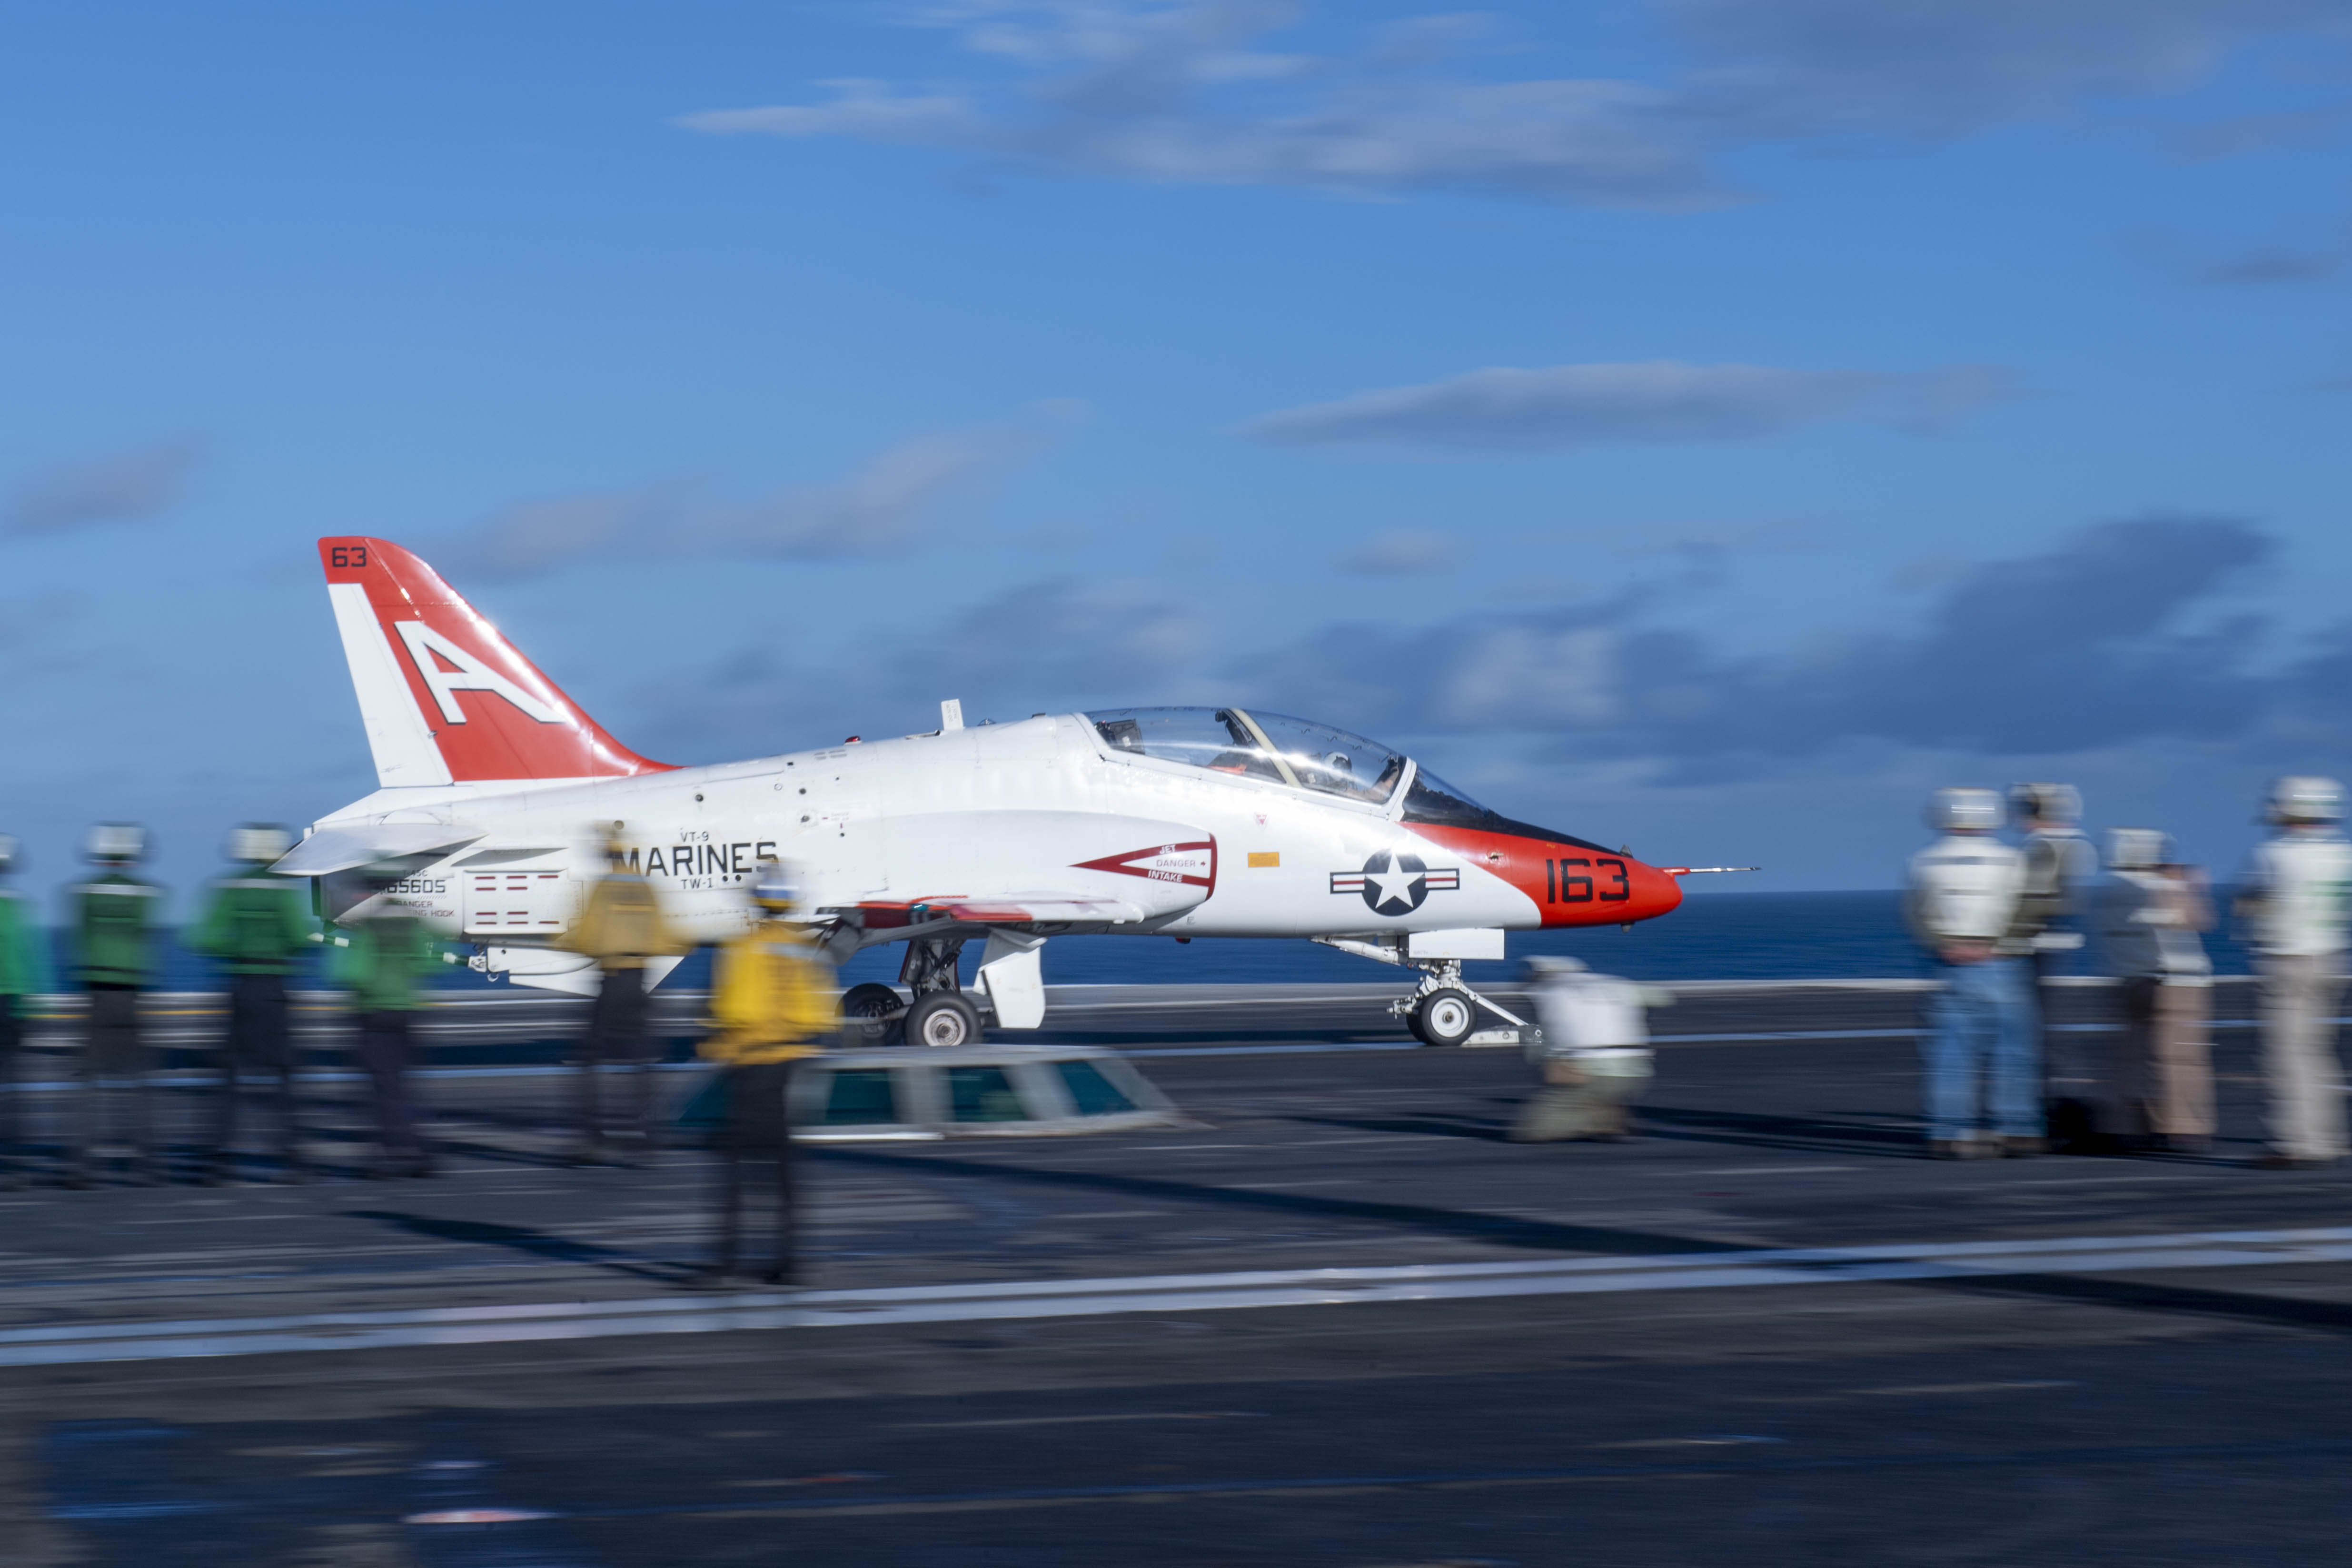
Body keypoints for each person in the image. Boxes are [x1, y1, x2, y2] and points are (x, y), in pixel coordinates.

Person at [694, 865, 835, 1287]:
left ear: (757, 900)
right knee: (782, 1172)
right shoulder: (805, 948)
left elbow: (735, 1009)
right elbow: (820, 1014)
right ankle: (788, 1262)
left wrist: (713, 1045)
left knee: (736, 1172)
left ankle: (725, 1264)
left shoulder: (746, 948)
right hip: (790, 1067)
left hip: (751, 1066)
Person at [1905, 788, 2037, 1158]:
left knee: (1950, 1054)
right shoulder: (2011, 860)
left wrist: (1943, 944)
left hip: (1950, 963)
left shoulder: (1924, 861)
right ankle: (2017, 1130)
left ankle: (1948, 1133)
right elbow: (2025, 910)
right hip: (2001, 963)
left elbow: (1914, 914)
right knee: (2012, 1052)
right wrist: (1995, 947)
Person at [2233, 776, 2352, 1169]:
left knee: (2286, 1054)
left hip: (2286, 958)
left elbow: (2251, 901)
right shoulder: (2343, 854)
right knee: (2319, 1052)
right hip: (2330, 956)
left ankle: (2295, 1140)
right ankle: (2327, 1137)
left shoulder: (2273, 854)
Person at [191, 824, 315, 1183]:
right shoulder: (282, 888)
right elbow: (298, 937)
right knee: (283, 1075)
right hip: (274, 988)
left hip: (239, 986)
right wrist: (276, 953)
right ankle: (292, 1156)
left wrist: (238, 953)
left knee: (229, 1075)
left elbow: (203, 937)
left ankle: (217, 1159)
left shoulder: (227, 887)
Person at [560, 822, 685, 1166]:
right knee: (640, 1062)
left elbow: (588, 939)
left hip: (612, 982)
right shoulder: (647, 889)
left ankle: (593, 1137)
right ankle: (644, 1137)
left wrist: (565, 941)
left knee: (587, 1060)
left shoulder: (604, 889)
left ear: (607, 856)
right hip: (640, 983)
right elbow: (666, 939)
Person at [2094, 829, 2214, 1154]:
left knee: (2130, 1057)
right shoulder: (2165, 887)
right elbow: (2202, 921)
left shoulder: (2106, 892)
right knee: (2181, 1059)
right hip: (2180, 981)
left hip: (2130, 980)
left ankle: (2126, 1126)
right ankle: (2184, 1127)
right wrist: (2186, 885)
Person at [329, 873, 451, 1178]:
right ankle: (418, 1152)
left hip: (373, 1013)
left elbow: (353, 972)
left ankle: (386, 1154)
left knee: (379, 1088)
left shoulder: (369, 926)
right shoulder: (412, 921)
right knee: (404, 1086)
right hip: (405, 1011)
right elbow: (430, 963)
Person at [65, 824, 165, 1186]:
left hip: (96, 992)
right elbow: (144, 933)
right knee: (136, 1080)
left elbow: (80, 935)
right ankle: (144, 1164)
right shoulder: (146, 893)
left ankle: (82, 1166)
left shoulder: (83, 891)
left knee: (90, 1082)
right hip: (131, 991)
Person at [2008, 783, 2100, 1149]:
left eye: (2025, 809)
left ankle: (2047, 1113)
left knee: (2036, 1033)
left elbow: (2034, 901)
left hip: (2035, 946)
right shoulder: (2064, 844)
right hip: (2047, 944)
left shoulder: (2046, 847)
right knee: (2040, 1032)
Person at [1509, 957, 1662, 1142]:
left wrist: (1549, 1063)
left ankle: (1596, 1118)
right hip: (1637, 1070)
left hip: (1588, 1069)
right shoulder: (1613, 982)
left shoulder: (1545, 992)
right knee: (1593, 1096)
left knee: (1530, 1132)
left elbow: (1535, 1039)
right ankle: (1605, 1113)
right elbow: (1660, 998)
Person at [0, 836, 55, 1189]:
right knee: (10, 1087)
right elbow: (34, 962)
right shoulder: (21, 908)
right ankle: (10, 1164)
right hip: (10, 1006)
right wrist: (35, 1007)